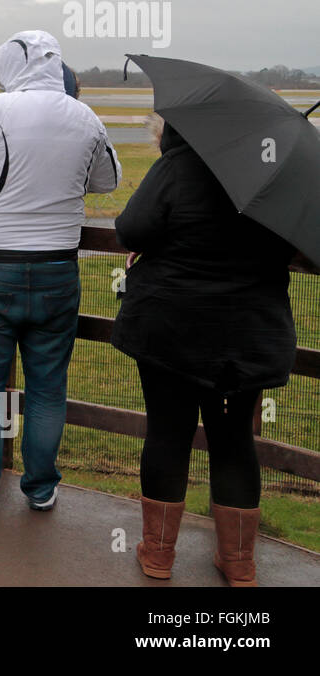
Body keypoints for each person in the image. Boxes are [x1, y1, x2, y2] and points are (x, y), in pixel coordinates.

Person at [0, 31, 120, 512]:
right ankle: (41, 489)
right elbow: (109, 180)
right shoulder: (85, 117)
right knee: (47, 387)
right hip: (60, 269)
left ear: (10, 68)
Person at [112, 116, 296, 586]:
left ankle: (157, 556)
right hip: (248, 335)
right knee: (235, 441)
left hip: (171, 328)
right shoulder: (270, 174)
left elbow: (132, 228)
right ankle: (238, 562)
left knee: (168, 435)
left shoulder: (179, 165)